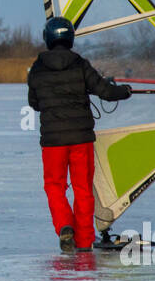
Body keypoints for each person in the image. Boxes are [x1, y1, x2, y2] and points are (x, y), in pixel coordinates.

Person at [27, 16, 132, 253]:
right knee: (83, 188)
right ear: (70, 38)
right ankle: (84, 241)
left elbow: (33, 103)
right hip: (81, 139)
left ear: (48, 39)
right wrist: (124, 91)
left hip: (53, 141)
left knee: (55, 186)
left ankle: (65, 226)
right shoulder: (79, 63)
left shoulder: (37, 67)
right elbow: (105, 91)